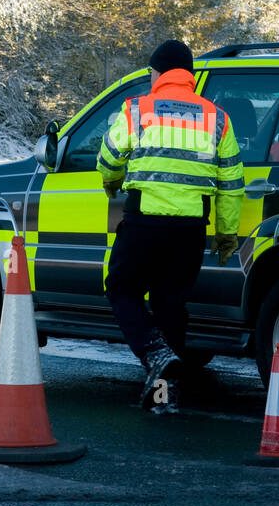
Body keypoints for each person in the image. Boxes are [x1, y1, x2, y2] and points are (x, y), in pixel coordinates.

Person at [97, 40, 245, 412]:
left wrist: (112, 182)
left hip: (144, 222)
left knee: (121, 288)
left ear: (158, 73)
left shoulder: (138, 108)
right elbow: (231, 183)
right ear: (188, 75)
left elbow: (109, 157)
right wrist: (227, 233)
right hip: (190, 229)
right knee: (170, 304)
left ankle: (154, 352)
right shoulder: (217, 117)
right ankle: (166, 393)